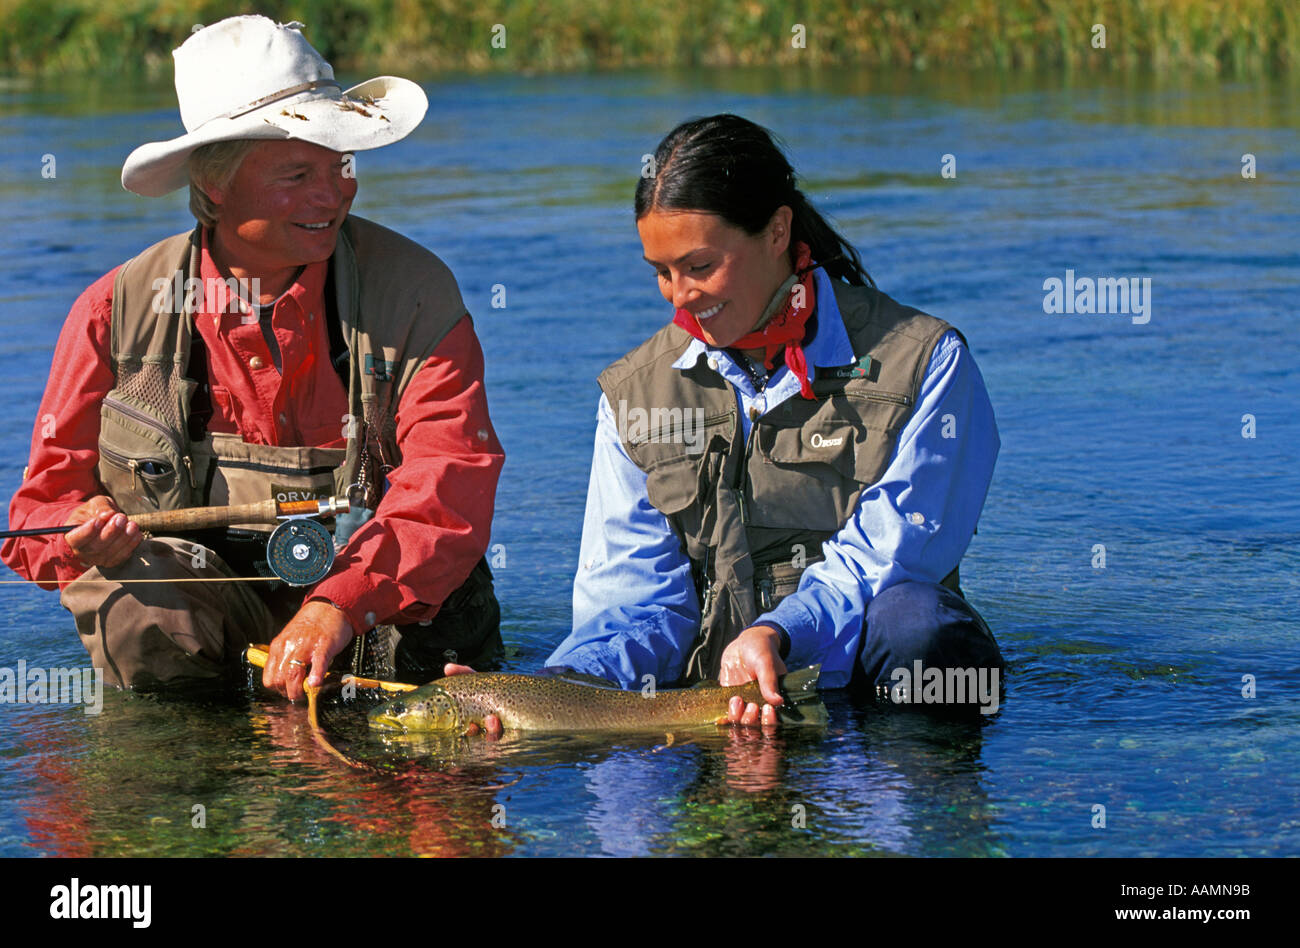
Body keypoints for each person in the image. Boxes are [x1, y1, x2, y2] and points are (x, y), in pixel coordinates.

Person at [1, 16, 504, 701]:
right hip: (210, 622)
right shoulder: (111, 313)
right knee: (127, 600)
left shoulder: (415, 295)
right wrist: (83, 541)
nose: (334, 194)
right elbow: (38, 513)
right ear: (213, 190)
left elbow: (452, 483)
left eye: (341, 167)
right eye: (298, 175)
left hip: (386, 612)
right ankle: (188, 774)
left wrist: (337, 605)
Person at [544, 114, 1004, 725]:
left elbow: (890, 559)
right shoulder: (632, 397)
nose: (678, 296)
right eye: (661, 271)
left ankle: (904, 808)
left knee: (918, 626)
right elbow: (634, 603)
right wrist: (550, 693)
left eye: (700, 266)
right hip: (720, 701)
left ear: (778, 229)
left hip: (870, 686)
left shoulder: (926, 363)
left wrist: (779, 633)